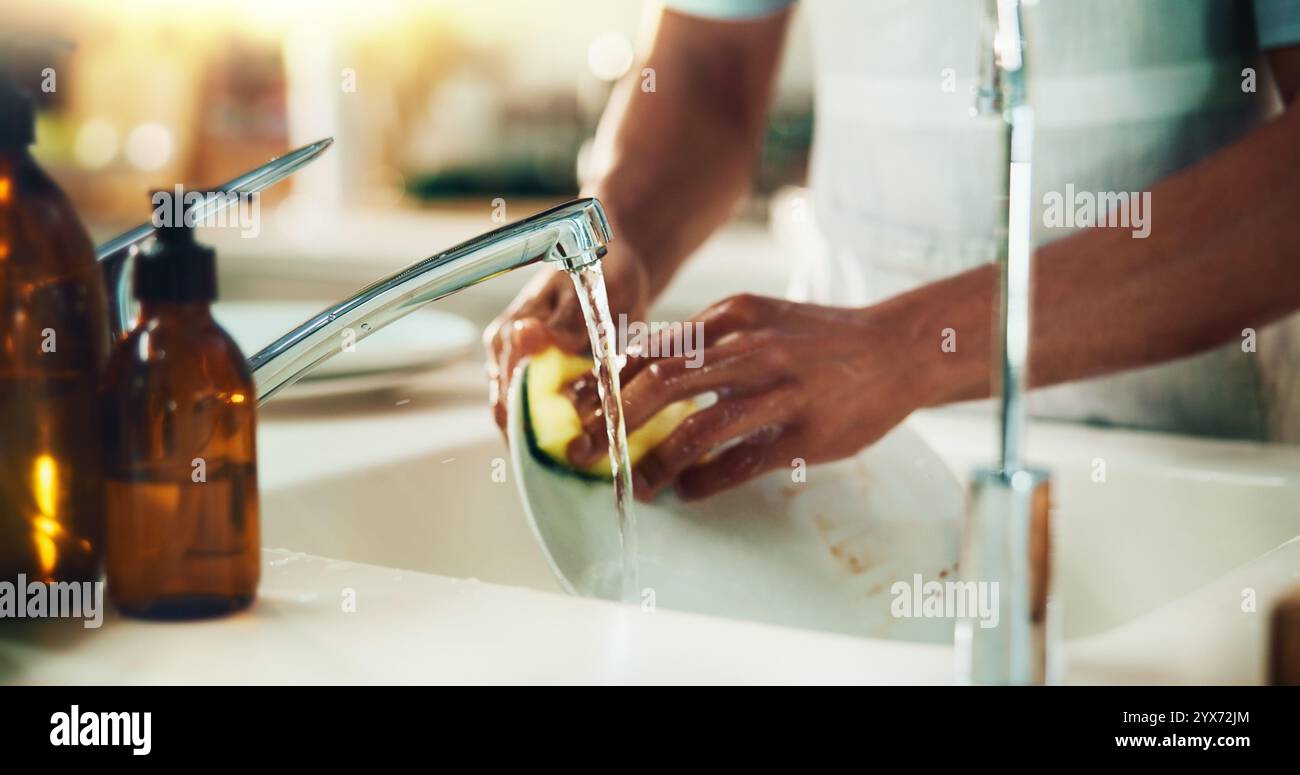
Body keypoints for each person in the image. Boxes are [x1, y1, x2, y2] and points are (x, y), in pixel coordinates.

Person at [485, 0, 1300, 502]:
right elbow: (707, 68)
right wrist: (616, 230)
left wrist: (907, 348)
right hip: (838, 461)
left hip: (1184, 457)